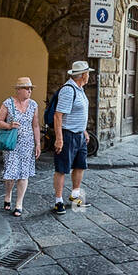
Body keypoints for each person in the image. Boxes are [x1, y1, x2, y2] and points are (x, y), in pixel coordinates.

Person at [50, 62, 94, 212]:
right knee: (62, 168)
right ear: (82, 75)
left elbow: (79, 113)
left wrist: (84, 131)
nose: (89, 76)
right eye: (88, 73)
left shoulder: (80, 89)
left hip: (79, 135)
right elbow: (58, 115)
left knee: (80, 166)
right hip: (67, 135)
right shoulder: (69, 90)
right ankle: (58, 201)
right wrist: (59, 138)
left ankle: (75, 196)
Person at [0, 76, 42, 216]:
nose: (29, 91)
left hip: (27, 144)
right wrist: (9, 125)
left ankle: (19, 203)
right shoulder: (8, 103)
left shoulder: (33, 105)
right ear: (18, 90)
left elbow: (35, 125)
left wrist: (38, 144)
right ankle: (8, 195)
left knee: (24, 173)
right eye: (27, 88)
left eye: (30, 89)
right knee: (10, 173)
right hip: (12, 144)